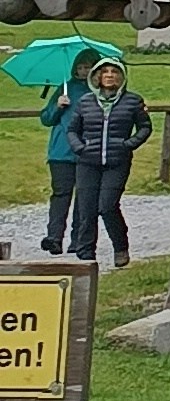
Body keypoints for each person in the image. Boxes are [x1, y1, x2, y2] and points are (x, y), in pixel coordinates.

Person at [64, 54, 153, 272]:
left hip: (117, 161)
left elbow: (145, 127)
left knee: (107, 205)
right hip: (87, 162)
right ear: (97, 77)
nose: (110, 76)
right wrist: (79, 147)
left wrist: (129, 144)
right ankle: (86, 257)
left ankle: (120, 247)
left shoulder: (133, 101)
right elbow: (72, 129)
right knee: (86, 209)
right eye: (105, 72)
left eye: (114, 72)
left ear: (121, 77)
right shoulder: (85, 101)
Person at [42, 56, 95, 258]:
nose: (83, 71)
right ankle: (54, 238)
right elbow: (46, 118)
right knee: (61, 195)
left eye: (87, 66)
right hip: (61, 152)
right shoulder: (65, 88)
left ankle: (78, 241)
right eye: (80, 67)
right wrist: (57, 106)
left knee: (84, 197)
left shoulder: (98, 92)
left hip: (87, 152)